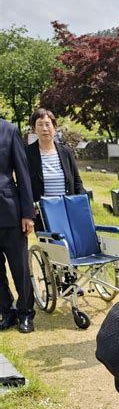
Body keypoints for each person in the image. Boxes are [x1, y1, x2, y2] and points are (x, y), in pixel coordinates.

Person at [0, 118, 36, 334]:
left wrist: (28, 214)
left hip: (10, 212)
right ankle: (7, 311)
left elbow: (23, 174)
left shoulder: (9, 130)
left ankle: (25, 313)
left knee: (19, 267)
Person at [25, 108, 85, 202]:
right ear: (34, 129)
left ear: (54, 127)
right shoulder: (27, 153)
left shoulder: (66, 152)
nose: (44, 129)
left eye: (48, 124)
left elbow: (77, 182)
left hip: (67, 209)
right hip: (40, 212)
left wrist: (81, 203)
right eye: (40, 125)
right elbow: (23, 185)